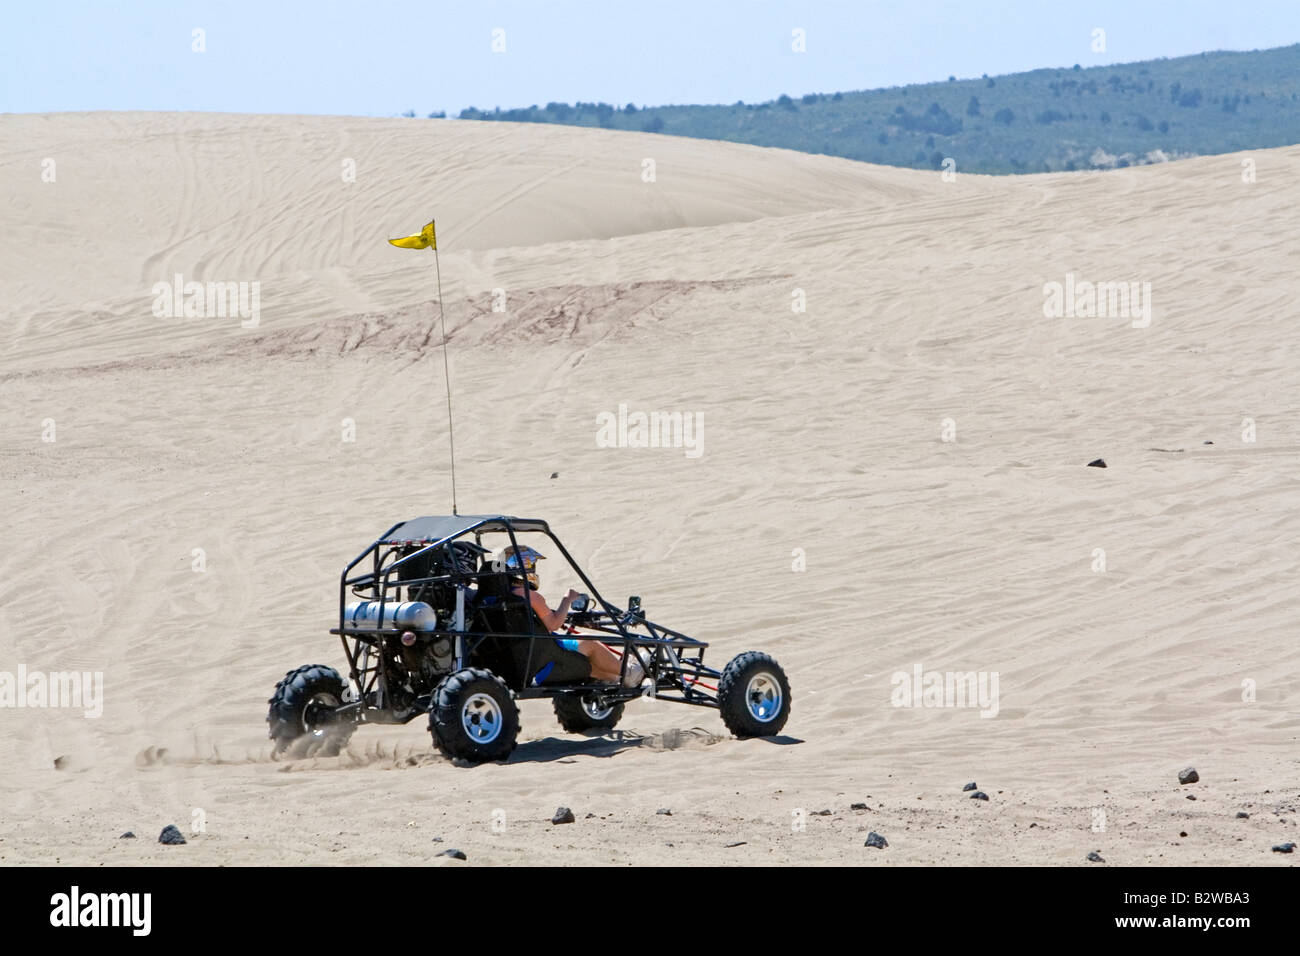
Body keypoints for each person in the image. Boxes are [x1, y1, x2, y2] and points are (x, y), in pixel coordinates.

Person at [500, 545, 644, 687]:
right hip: (545, 662)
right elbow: (554, 624)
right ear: (525, 567)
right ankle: (629, 672)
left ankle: (615, 679)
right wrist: (567, 599)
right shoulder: (529, 596)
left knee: (586, 662)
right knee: (589, 641)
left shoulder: (501, 597)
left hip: (523, 662)